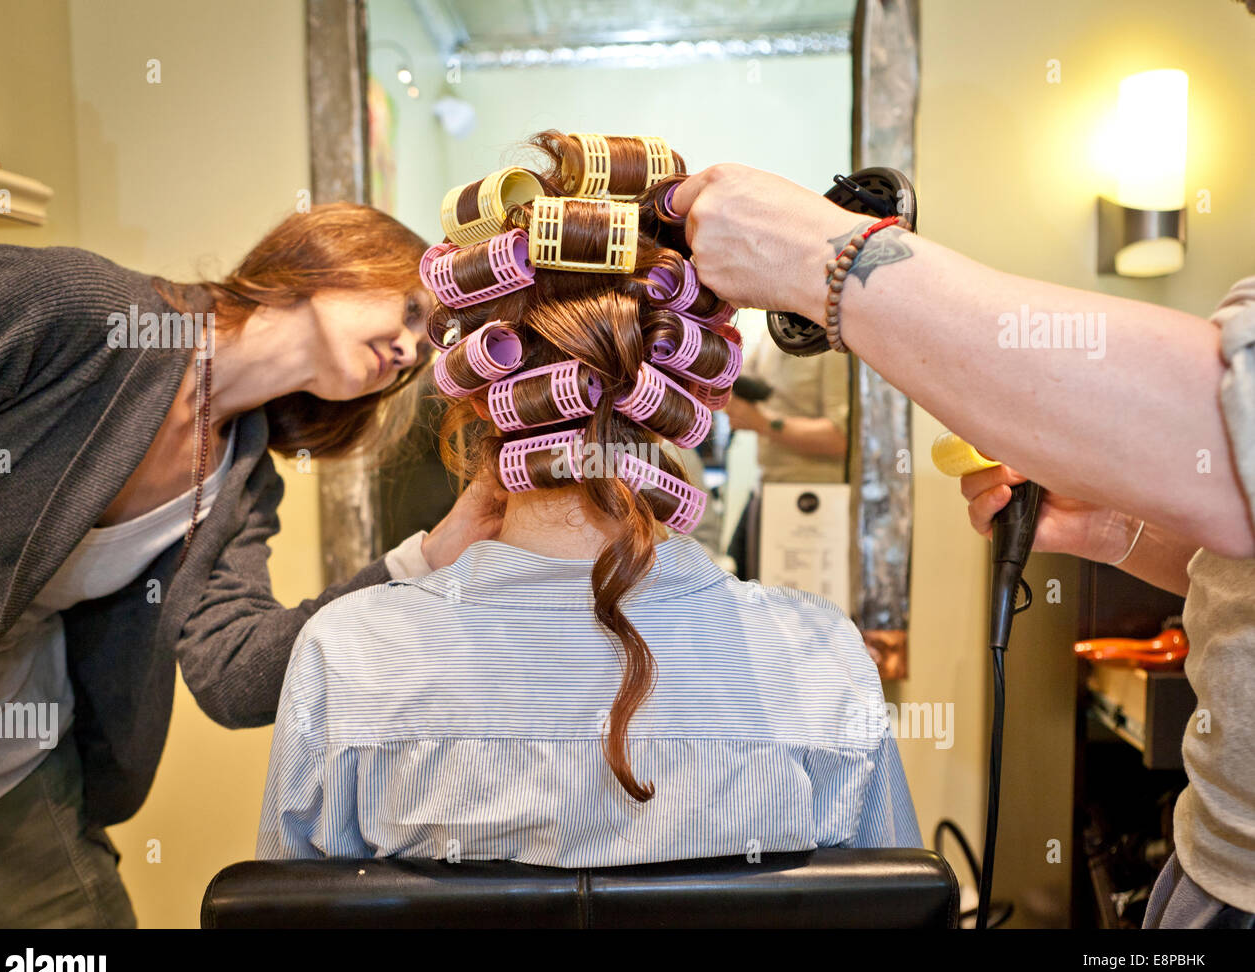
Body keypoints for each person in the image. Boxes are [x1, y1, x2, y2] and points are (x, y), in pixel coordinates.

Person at [256, 131, 920, 864]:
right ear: (695, 386)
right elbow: (893, 903)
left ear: (480, 399)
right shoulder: (820, 658)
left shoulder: (349, 658)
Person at [669, 156, 1255, 927]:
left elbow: (1232, 413)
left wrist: (830, 257)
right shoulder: (811, 652)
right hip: (1216, 853)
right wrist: (1121, 531)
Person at [0, 203, 501, 928]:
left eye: (422, 348)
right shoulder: (84, 309)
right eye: (408, 311)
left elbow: (235, 674)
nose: (408, 350)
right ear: (338, 256)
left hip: (12, 785)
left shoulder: (240, 483)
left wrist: (428, 558)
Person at [724, 331, 850, 578]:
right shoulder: (772, 337)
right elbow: (736, 381)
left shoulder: (831, 348)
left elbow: (839, 438)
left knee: (800, 604)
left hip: (811, 501)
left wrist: (763, 424)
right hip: (767, 490)